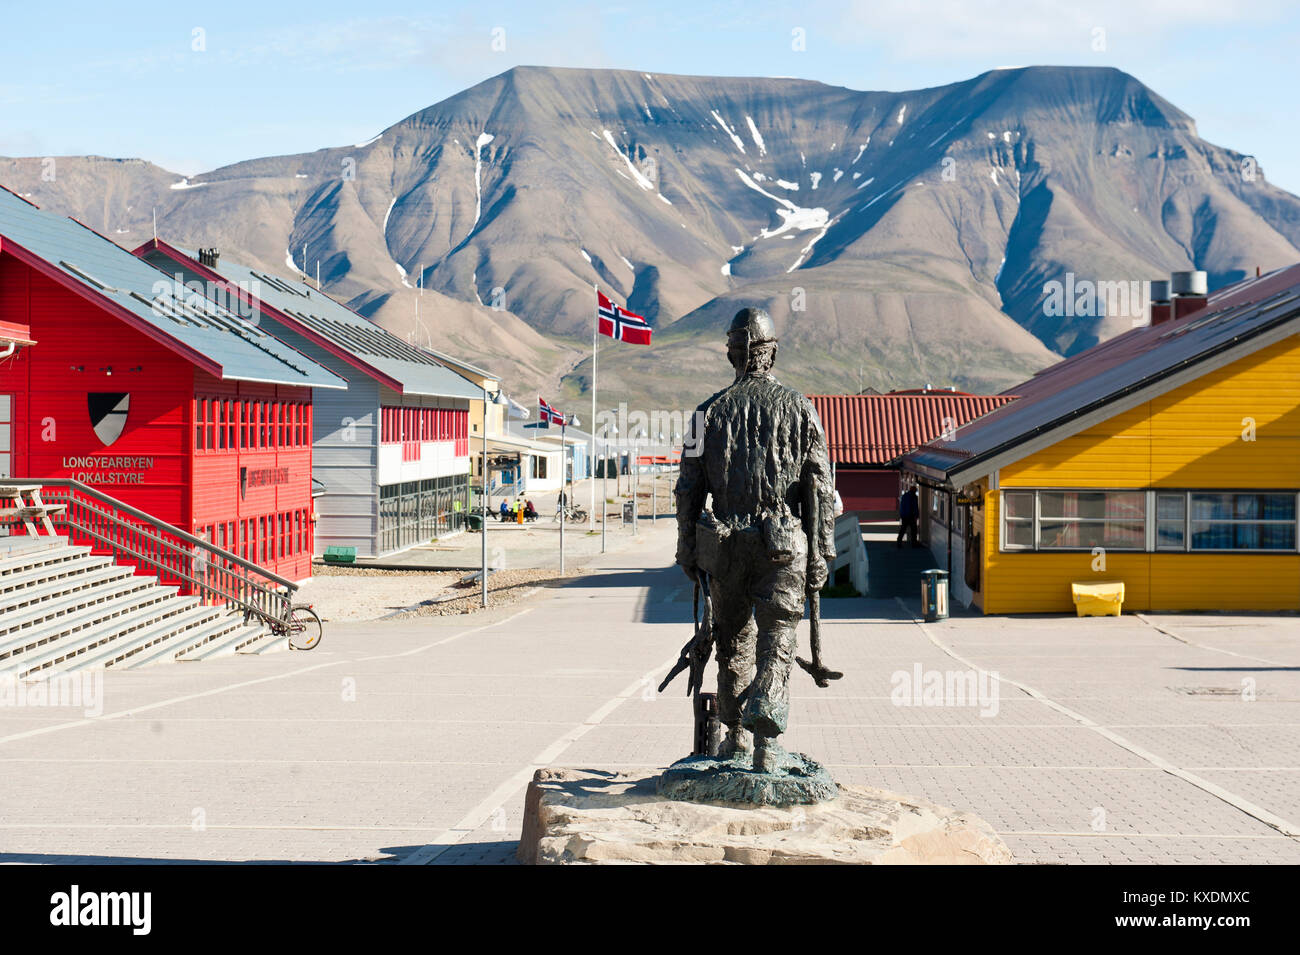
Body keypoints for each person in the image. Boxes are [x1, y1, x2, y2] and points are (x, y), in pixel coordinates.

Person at [675, 307, 836, 773]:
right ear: (772, 353)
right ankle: (766, 735)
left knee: (733, 643)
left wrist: (688, 549)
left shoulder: (705, 415)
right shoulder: (802, 410)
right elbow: (820, 488)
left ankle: (736, 738)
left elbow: (688, 489)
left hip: (726, 548)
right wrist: (823, 552)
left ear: (732, 354)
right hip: (782, 546)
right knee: (777, 641)